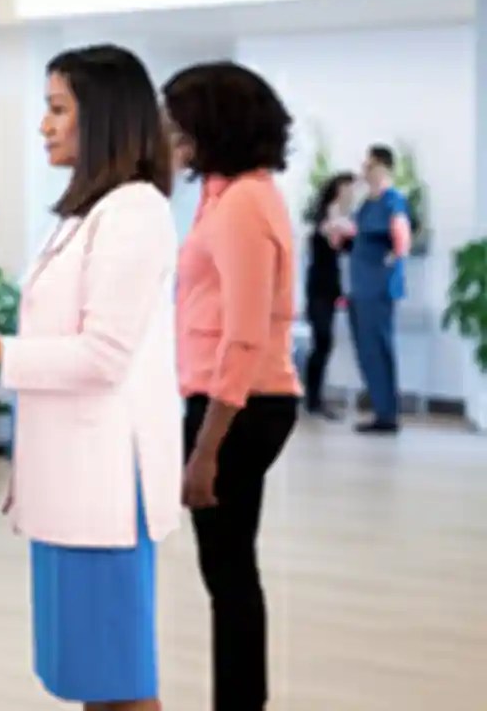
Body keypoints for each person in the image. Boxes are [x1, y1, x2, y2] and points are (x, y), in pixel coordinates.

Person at [0, 44, 180, 711]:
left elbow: (102, 356)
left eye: (57, 109)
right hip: (68, 484)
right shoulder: (82, 215)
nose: (44, 125)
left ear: (104, 119)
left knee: (120, 682)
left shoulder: (136, 211)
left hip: (104, 491)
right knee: (94, 677)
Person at [162, 61, 302, 711]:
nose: (169, 128)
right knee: (229, 572)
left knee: (230, 576)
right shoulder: (222, 192)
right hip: (231, 401)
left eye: (178, 115)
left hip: (240, 407)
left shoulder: (245, 202)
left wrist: (206, 449)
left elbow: (244, 334)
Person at [343, 145, 411, 434]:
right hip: (360, 285)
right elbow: (345, 221)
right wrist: (355, 187)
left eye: (370, 166)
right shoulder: (368, 203)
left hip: (377, 286)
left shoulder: (393, 200)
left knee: (378, 348)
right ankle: (379, 409)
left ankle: (387, 413)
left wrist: (391, 261)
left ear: (383, 167)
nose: (365, 171)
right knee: (365, 349)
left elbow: (401, 237)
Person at [303, 172, 358, 419]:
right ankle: (312, 398)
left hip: (330, 290)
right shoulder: (324, 219)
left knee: (324, 343)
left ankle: (314, 398)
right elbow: (330, 237)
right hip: (318, 288)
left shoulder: (344, 219)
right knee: (322, 340)